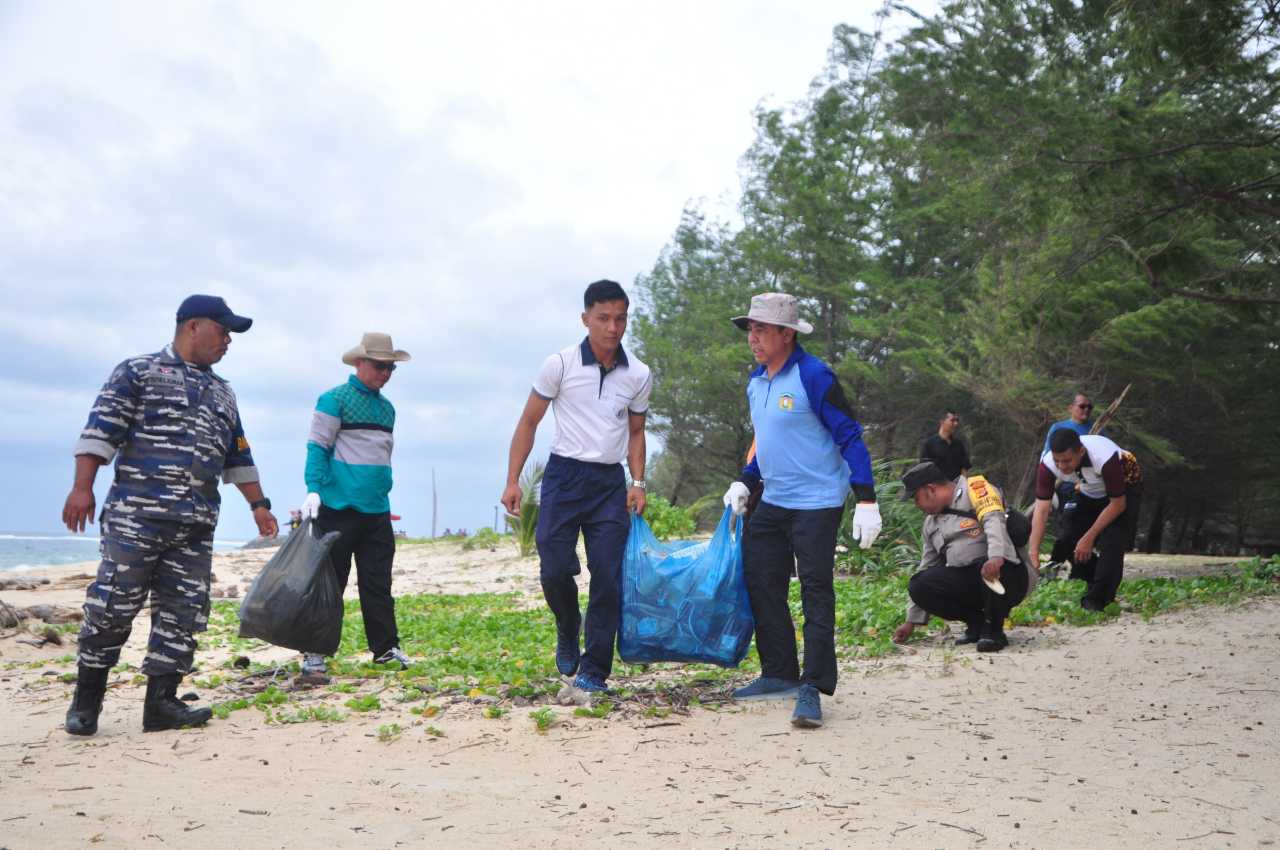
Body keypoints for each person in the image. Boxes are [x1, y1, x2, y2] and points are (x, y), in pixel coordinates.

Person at [61, 295, 279, 735]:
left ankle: (161, 704)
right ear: (193, 326)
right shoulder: (138, 372)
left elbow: (238, 454)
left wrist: (259, 506)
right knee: (112, 606)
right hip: (136, 519)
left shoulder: (223, 392)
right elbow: (101, 430)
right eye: (223, 331)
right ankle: (86, 704)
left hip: (195, 525)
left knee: (183, 613)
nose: (228, 340)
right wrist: (82, 487)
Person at [722, 292, 882, 729]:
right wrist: (746, 479)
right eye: (750, 329)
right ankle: (779, 672)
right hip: (774, 499)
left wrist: (866, 499)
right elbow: (768, 440)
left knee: (815, 590)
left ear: (786, 334)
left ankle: (813, 686)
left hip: (817, 501)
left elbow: (849, 436)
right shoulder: (757, 381)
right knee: (761, 579)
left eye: (761, 330)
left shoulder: (814, 376)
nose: (752, 338)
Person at [500, 280, 652, 693]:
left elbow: (636, 432)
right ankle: (568, 624)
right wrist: (513, 480)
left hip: (608, 484)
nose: (612, 328)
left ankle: (594, 670)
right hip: (564, 477)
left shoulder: (639, 374)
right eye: (603, 318)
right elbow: (529, 422)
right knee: (553, 568)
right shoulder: (560, 365)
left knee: (608, 575)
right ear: (586, 319)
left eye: (620, 319)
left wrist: (637, 482)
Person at [299, 333, 414, 677]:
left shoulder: (387, 409)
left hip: (377, 509)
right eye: (380, 366)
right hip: (337, 507)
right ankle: (315, 652)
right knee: (330, 583)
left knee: (378, 583)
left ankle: (385, 649)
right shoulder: (333, 400)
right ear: (360, 363)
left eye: (391, 368)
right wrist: (313, 489)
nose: (385, 373)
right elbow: (318, 446)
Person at [891, 462, 1035, 652]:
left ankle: (993, 631)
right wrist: (911, 622)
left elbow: (993, 521)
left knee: (987, 566)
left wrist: (995, 557)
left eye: (916, 498)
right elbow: (927, 566)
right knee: (919, 584)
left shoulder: (976, 488)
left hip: (1008, 574)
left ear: (931, 489)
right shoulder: (930, 524)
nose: (917, 506)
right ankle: (976, 623)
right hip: (971, 580)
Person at [1027, 430, 1142, 611]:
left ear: (1081, 452)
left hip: (1124, 488)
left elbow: (1118, 504)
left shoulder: (1104, 457)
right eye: (1057, 461)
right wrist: (1033, 553)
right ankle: (1092, 578)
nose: (1061, 466)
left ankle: (1097, 601)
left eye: (1067, 461)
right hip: (1089, 490)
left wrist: (1089, 537)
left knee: (1112, 542)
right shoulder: (1047, 464)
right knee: (1067, 539)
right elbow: (1041, 510)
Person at [920, 410, 970, 480]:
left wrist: (963, 483)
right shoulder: (929, 444)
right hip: (938, 485)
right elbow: (924, 470)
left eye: (957, 420)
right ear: (942, 422)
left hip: (958, 485)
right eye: (952, 420)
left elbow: (964, 467)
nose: (956, 424)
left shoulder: (958, 444)